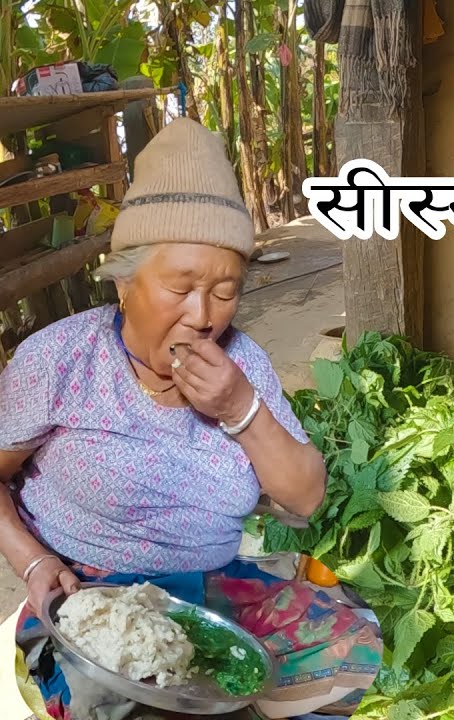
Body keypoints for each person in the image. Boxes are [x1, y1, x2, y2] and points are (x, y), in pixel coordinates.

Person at [1, 119, 381, 719]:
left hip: (211, 591)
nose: (204, 316)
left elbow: (306, 498)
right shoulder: (61, 359)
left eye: (225, 291)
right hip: (88, 593)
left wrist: (240, 409)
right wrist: (34, 560)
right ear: (124, 283)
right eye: (180, 289)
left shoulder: (243, 362)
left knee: (350, 644)